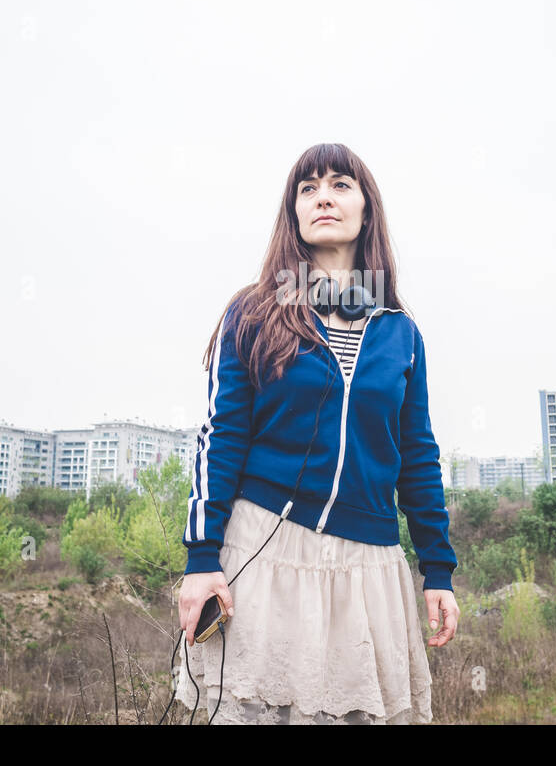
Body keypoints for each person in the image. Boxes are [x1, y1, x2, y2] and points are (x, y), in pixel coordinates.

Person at [173, 142, 459, 725]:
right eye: (307, 188)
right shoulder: (253, 313)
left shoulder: (401, 333)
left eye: (339, 184)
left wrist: (438, 569)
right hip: (266, 554)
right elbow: (220, 436)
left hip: (371, 567)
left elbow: (418, 455)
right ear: (294, 214)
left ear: (366, 210)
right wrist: (202, 557)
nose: (322, 195)